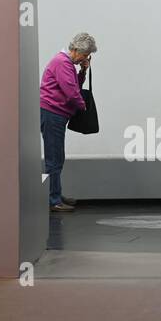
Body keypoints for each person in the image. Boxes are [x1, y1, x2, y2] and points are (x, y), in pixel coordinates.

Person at [40, 32, 97, 212]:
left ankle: (55, 193)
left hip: (55, 114)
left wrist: (83, 71)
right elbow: (72, 93)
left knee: (57, 156)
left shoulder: (66, 63)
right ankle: (53, 200)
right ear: (77, 50)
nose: (85, 58)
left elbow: (74, 85)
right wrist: (84, 107)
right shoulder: (63, 63)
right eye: (85, 55)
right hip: (52, 113)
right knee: (54, 158)